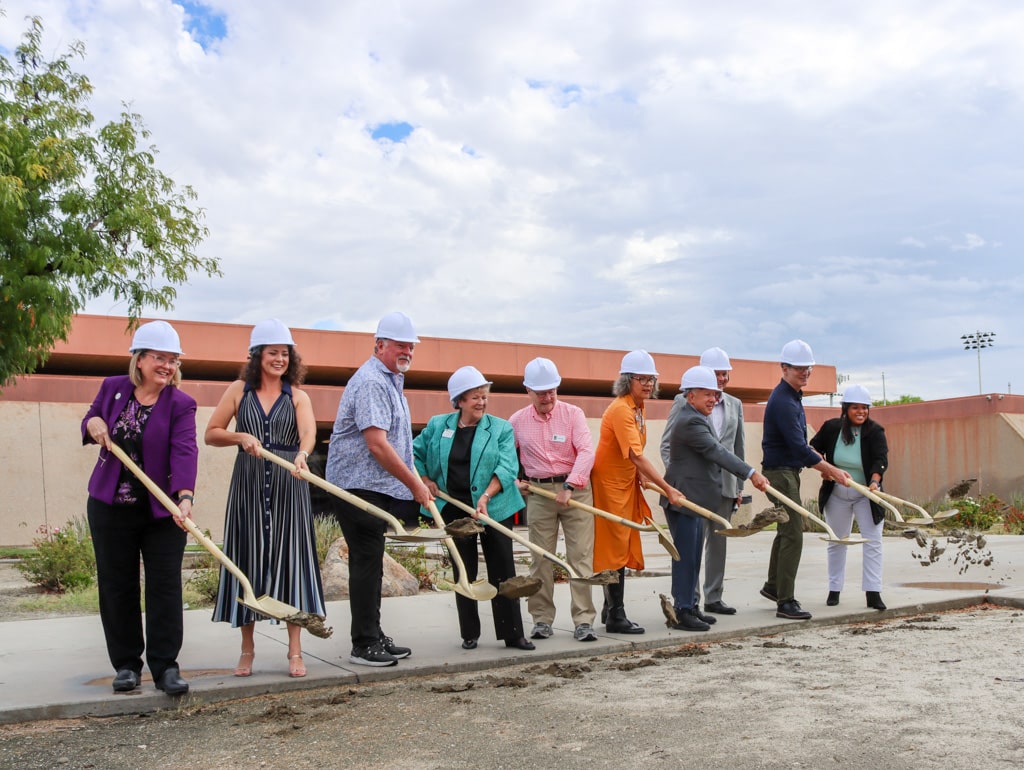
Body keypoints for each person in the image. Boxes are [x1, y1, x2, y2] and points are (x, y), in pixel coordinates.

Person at [81, 320, 197, 696]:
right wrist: (94, 422)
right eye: (160, 358)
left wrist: (184, 498)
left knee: (164, 587)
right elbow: (91, 420)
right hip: (109, 506)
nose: (168, 366)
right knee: (117, 586)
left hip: (161, 510)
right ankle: (127, 665)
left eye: (173, 360)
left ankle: (166, 667)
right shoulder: (113, 388)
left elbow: (184, 450)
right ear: (140, 359)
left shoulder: (181, 403)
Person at [205, 319, 326, 678]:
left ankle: (295, 651)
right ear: (257, 356)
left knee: (293, 561)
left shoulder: (299, 396)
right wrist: (241, 436)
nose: (279, 359)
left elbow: (309, 434)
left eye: (285, 353)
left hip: (291, 481)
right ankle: (247, 649)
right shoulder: (238, 392)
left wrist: (303, 455)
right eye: (272, 352)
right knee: (248, 557)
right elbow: (211, 433)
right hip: (248, 483)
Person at [325, 311, 430, 667]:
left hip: (374, 486)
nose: (407, 351)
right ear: (380, 345)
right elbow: (377, 445)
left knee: (371, 559)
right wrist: (414, 484)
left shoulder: (392, 381)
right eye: (400, 344)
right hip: (357, 485)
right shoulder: (372, 381)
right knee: (367, 561)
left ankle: (373, 634)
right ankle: (364, 643)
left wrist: (418, 479)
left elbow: (399, 444)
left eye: (410, 346)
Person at [414, 366, 535, 652]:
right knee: (463, 568)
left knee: (503, 568)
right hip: (453, 507)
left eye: (484, 396)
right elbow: (414, 454)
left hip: (494, 506)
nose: (481, 402)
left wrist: (486, 496)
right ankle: (469, 633)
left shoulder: (501, 428)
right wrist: (426, 480)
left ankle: (513, 633)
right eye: (474, 398)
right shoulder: (437, 425)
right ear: (459, 401)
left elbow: (507, 466)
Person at [661, 367, 770, 631]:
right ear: (691, 396)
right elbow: (716, 451)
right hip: (684, 500)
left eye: (715, 394)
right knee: (685, 557)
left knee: (694, 555)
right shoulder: (690, 421)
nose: (713, 399)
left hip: (695, 500)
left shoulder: (697, 416)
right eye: (708, 394)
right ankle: (683, 610)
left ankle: (690, 607)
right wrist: (751, 473)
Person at [591, 350, 685, 634]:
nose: (647, 384)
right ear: (626, 380)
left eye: (651, 379)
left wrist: (642, 475)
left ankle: (611, 609)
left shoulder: (638, 407)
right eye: (641, 378)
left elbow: (634, 454)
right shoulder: (621, 409)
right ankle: (616, 616)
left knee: (623, 543)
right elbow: (635, 454)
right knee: (614, 547)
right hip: (609, 485)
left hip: (626, 482)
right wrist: (668, 488)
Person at [509, 358, 598, 643]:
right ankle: (541, 620)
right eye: (540, 392)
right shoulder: (517, 421)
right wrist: (515, 482)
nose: (547, 397)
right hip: (539, 494)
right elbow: (506, 458)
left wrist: (570, 486)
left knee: (580, 557)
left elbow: (586, 451)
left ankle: (583, 620)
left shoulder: (573, 414)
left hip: (575, 491)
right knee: (540, 559)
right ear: (528, 391)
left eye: (551, 391)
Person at [761, 339, 851, 620]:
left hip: (788, 471)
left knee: (785, 530)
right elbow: (799, 449)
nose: (805, 373)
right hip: (780, 473)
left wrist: (824, 466)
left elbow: (800, 445)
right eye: (799, 368)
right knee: (793, 534)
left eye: (808, 368)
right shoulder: (784, 401)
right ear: (784, 368)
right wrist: (831, 470)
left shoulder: (792, 397)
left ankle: (775, 586)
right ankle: (785, 601)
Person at [662, 346, 746, 616]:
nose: (721, 380)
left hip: (724, 484)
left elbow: (735, 446)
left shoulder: (734, 404)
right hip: (690, 488)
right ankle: (689, 601)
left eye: (725, 375)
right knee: (690, 545)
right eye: (716, 375)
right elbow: (670, 445)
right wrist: (679, 481)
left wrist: (740, 485)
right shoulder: (684, 403)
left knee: (716, 541)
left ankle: (713, 597)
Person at [809, 384, 889, 610]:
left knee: (873, 541)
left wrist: (874, 482)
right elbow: (813, 449)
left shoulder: (875, 431)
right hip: (836, 492)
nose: (861, 412)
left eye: (865, 408)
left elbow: (880, 460)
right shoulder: (832, 427)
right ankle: (834, 590)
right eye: (855, 407)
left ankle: (873, 592)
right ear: (845, 409)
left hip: (866, 493)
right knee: (838, 540)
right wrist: (823, 468)